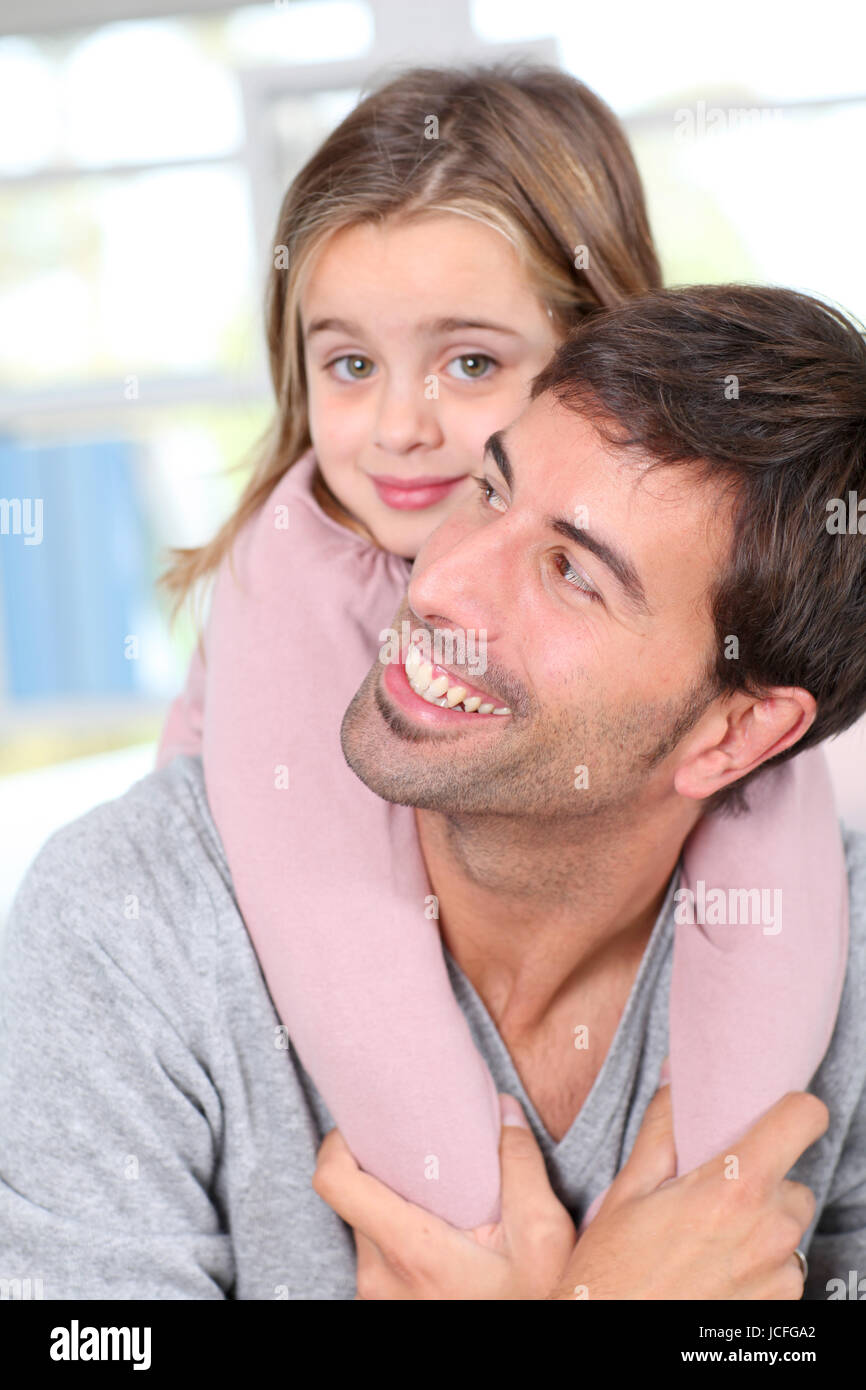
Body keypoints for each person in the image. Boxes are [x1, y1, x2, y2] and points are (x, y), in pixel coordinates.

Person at [0, 283, 863, 1300]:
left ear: (733, 733)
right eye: (490, 491)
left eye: (567, 572)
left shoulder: (840, 968)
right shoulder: (124, 926)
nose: (441, 580)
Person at [156, 65, 846, 1228]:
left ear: (598, 357)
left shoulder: (722, 662)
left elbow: (773, 834)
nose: (397, 427)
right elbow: (338, 931)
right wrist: (498, 1235)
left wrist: (702, 1205)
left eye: (469, 362)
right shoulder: (289, 575)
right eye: (348, 365)